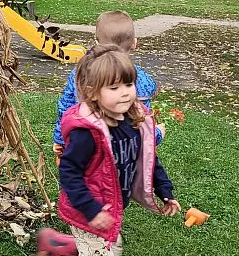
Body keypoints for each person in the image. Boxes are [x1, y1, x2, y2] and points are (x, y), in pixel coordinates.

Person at [35, 45, 182, 256]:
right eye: (114, 87)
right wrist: (90, 210)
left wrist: (164, 190)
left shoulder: (132, 122)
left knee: (109, 252)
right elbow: (70, 174)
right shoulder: (87, 133)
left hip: (109, 209)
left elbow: (148, 158)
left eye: (128, 84)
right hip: (87, 210)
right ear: (91, 92)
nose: (126, 93)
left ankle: (57, 245)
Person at [53, 10, 164, 159]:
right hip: (124, 153)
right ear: (134, 43)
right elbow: (143, 124)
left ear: (97, 43)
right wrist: (157, 133)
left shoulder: (80, 74)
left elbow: (65, 108)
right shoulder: (140, 79)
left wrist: (61, 139)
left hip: (85, 148)